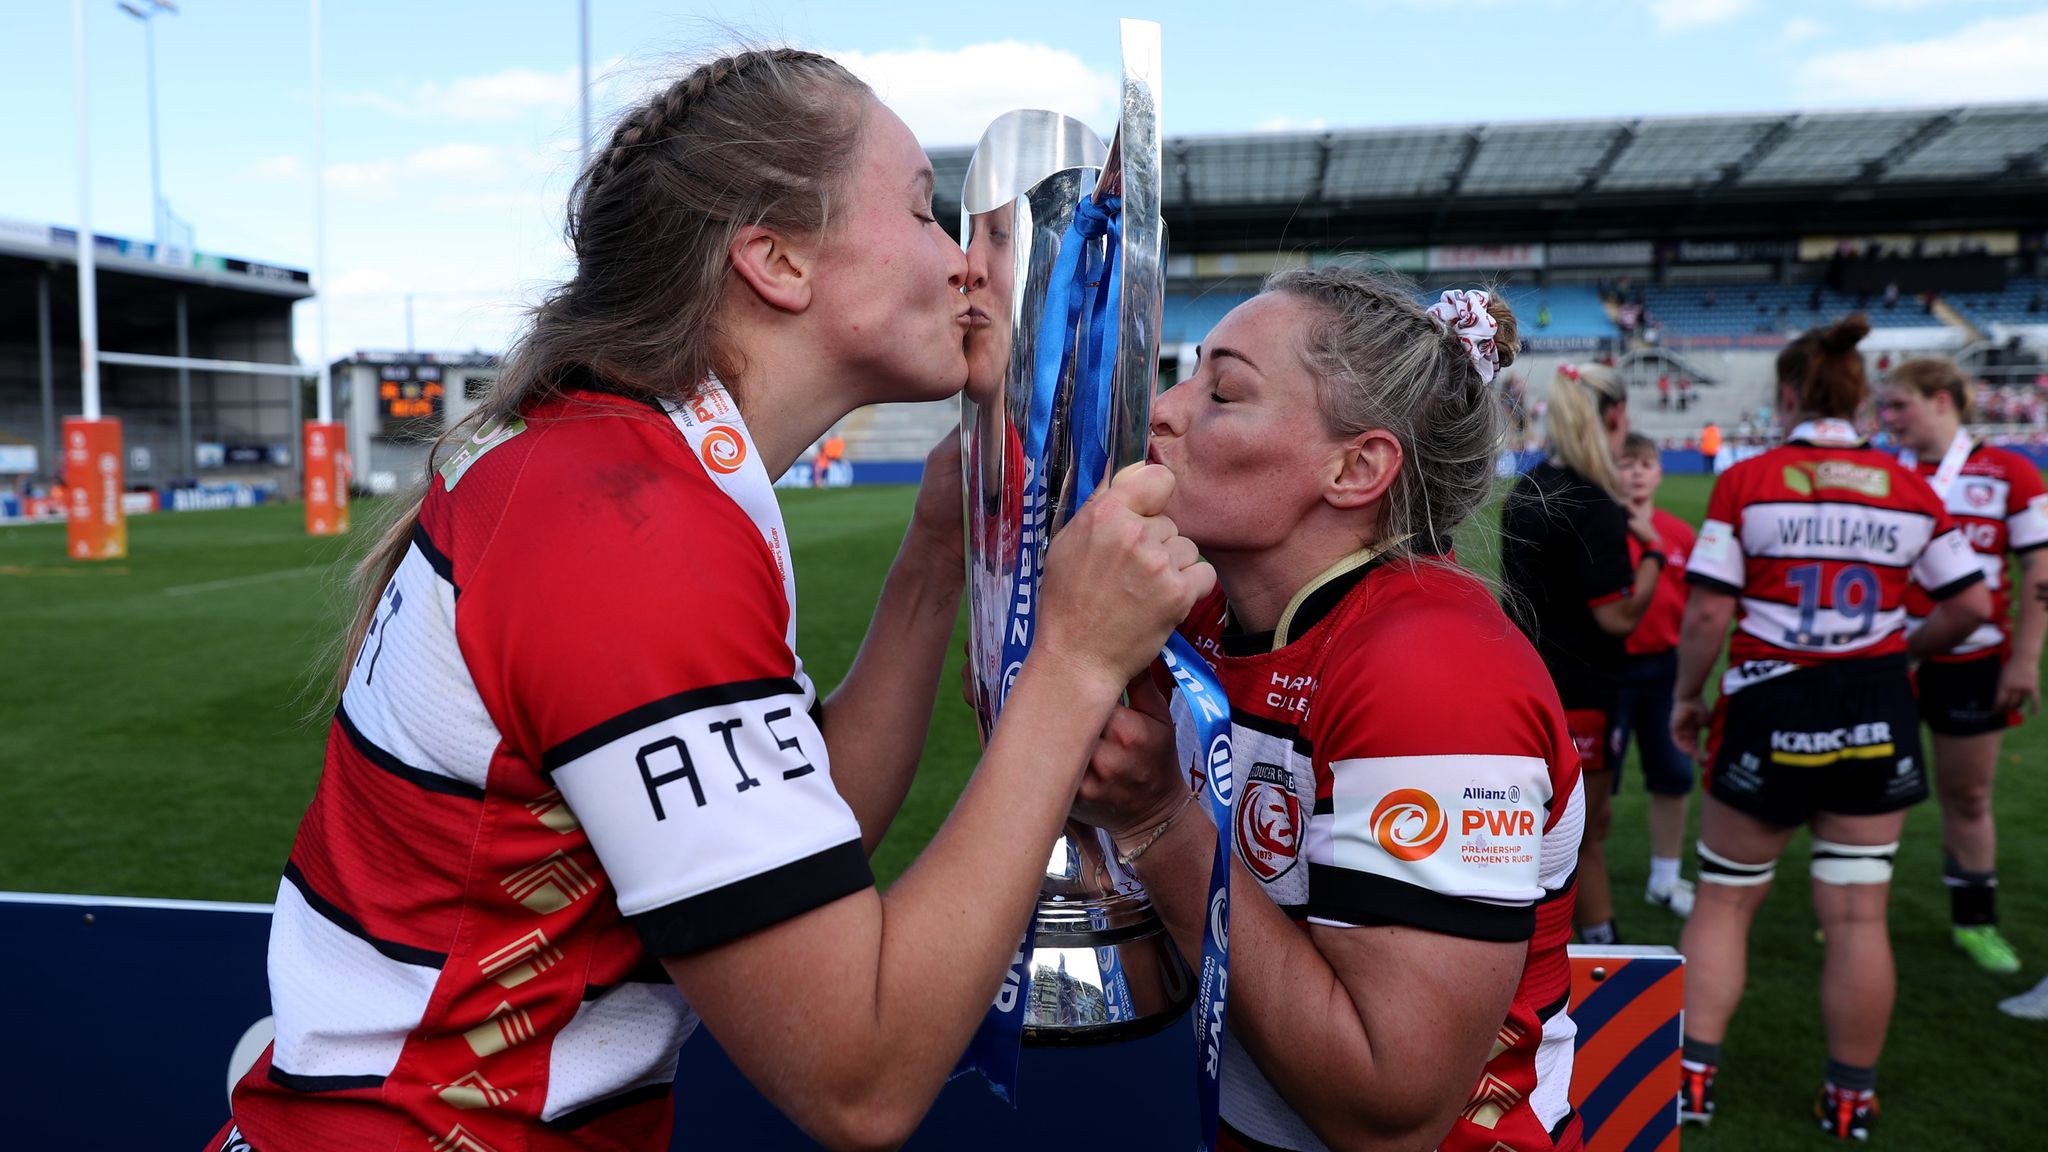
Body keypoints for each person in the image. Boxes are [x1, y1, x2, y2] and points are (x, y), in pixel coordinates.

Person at [206, 51, 1212, 1152]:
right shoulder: (626, 527)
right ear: (774, 260)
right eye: (925, 211)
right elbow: (857, 1074)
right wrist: (1070, 663)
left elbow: (791, 844)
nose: (966, 264)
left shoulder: (624, 470)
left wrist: (937, 555)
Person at [1073, 275, 1585, 1152]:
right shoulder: (1206, 614)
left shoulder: (1434, 675)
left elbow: (1392, 1109)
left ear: (1354, 469)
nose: (1161, 410)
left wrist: (1158, 819)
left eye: (1223, 392)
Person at [1669, 316, 1990, 1142]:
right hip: (1873, 705)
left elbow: (1707, 609)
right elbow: (1971, 606)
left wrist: (1687, 696)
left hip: (1770, 703)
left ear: (1786, 393)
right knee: (1855, 914)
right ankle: (1851, 1096)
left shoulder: (1751, 479)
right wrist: (1901, 655)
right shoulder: (1911, 486)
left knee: (1726, 904)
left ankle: (1691, 1085)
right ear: (1859, 398)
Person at [1880, 357, 2048, 974]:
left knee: (1970, 796)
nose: (1888, 418)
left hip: (1972, 659)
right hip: (1882, 661)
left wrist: (2025, 659)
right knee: (1874, 795)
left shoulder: (2012, 471)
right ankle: (1857, 913)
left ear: (1944, 399)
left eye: (1900, 405)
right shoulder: (1879, 470)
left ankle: (1975, 922)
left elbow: (2040, 572)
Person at [1501, 361, 1663, 947]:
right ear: (1616, 416)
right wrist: (1655, 556)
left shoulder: (1529, 487)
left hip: (1526, 687)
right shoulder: (1595, 502)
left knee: (1530, 834)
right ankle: (1599, 948)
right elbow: (1616, 616)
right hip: (1583, 693)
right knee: (1584, 837)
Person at [1610, 433, 1699, 915]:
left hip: (1666, 672)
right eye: (1628, 464)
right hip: (1611, 671)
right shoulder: (1603, 529)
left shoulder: (1680, 532)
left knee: (1673, 774)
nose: (1638, 473)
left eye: (1646, 464)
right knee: (1596, 783)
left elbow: (1693, 607)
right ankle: (1577, 880)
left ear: (1660, 472)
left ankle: (1665, 879)